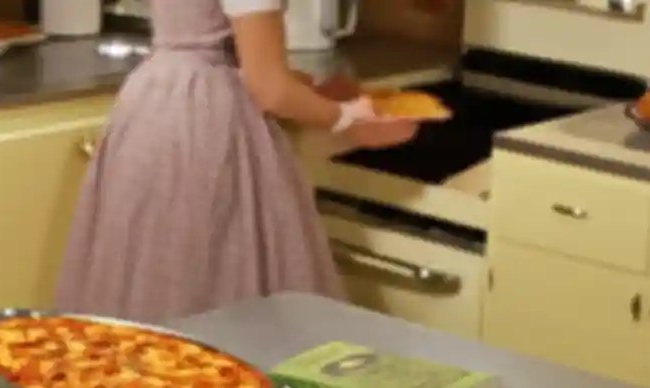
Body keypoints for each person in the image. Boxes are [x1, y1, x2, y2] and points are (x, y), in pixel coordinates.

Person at [55, 0, 420, 323]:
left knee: (149, 293)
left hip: (156, 99)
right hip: (205, 125)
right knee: (223, 306)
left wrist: (309, 93)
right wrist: (349, 117)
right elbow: (270, 88)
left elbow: (211, 44)